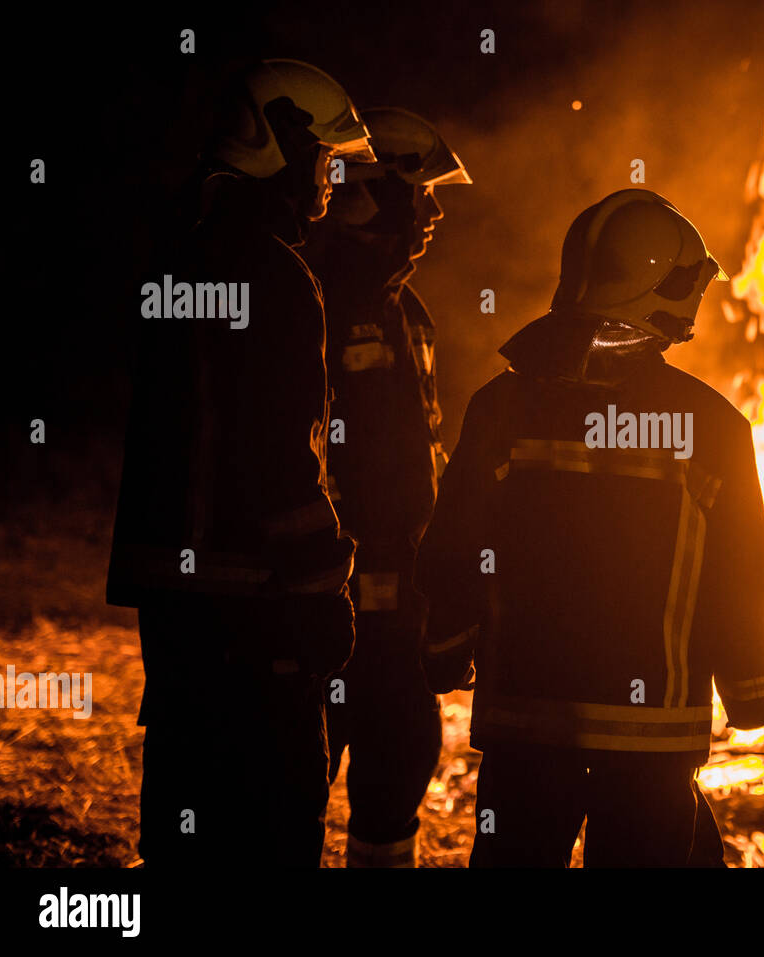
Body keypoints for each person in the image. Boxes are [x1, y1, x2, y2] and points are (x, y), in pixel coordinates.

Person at [415, 188, 764, 867]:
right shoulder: (713, 427)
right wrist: (752, 690)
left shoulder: (501, 407)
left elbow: (454, 549)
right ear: (660, 291)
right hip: (652, 746)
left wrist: (443, 648)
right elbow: (737, 585)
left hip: (523, 730)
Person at [107, 59, 374, 866]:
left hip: (179, 612)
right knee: (272, 822)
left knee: (186, 819)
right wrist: (325, 587)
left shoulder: (183, 252)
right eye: (325, 158)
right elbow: (278, 459)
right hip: (257, 609)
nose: (330, 181)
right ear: (280, 142)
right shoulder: (277, 276)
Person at [302, 108, 472, 867]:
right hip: (323, 605)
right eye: (419, 195)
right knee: (292, 781)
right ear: (368, 196)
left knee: (400, 763)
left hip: (398, 609)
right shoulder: (306, 304)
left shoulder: (409, 314)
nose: (432, 214)